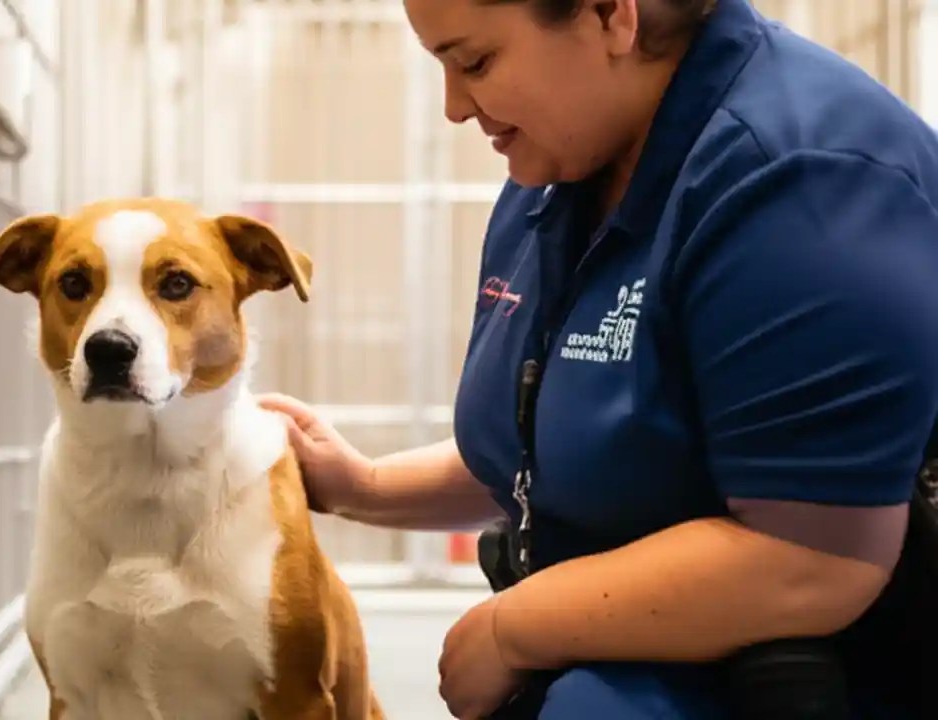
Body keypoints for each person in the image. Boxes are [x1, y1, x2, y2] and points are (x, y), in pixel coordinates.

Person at [258, 0, 938, 718]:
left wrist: (517, 627)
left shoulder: (801, 186)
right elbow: (576, 443)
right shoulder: (565, 166)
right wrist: (362, 485)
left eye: (475, 63)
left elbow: (815, 559)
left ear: (613, 14)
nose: (455, 107)